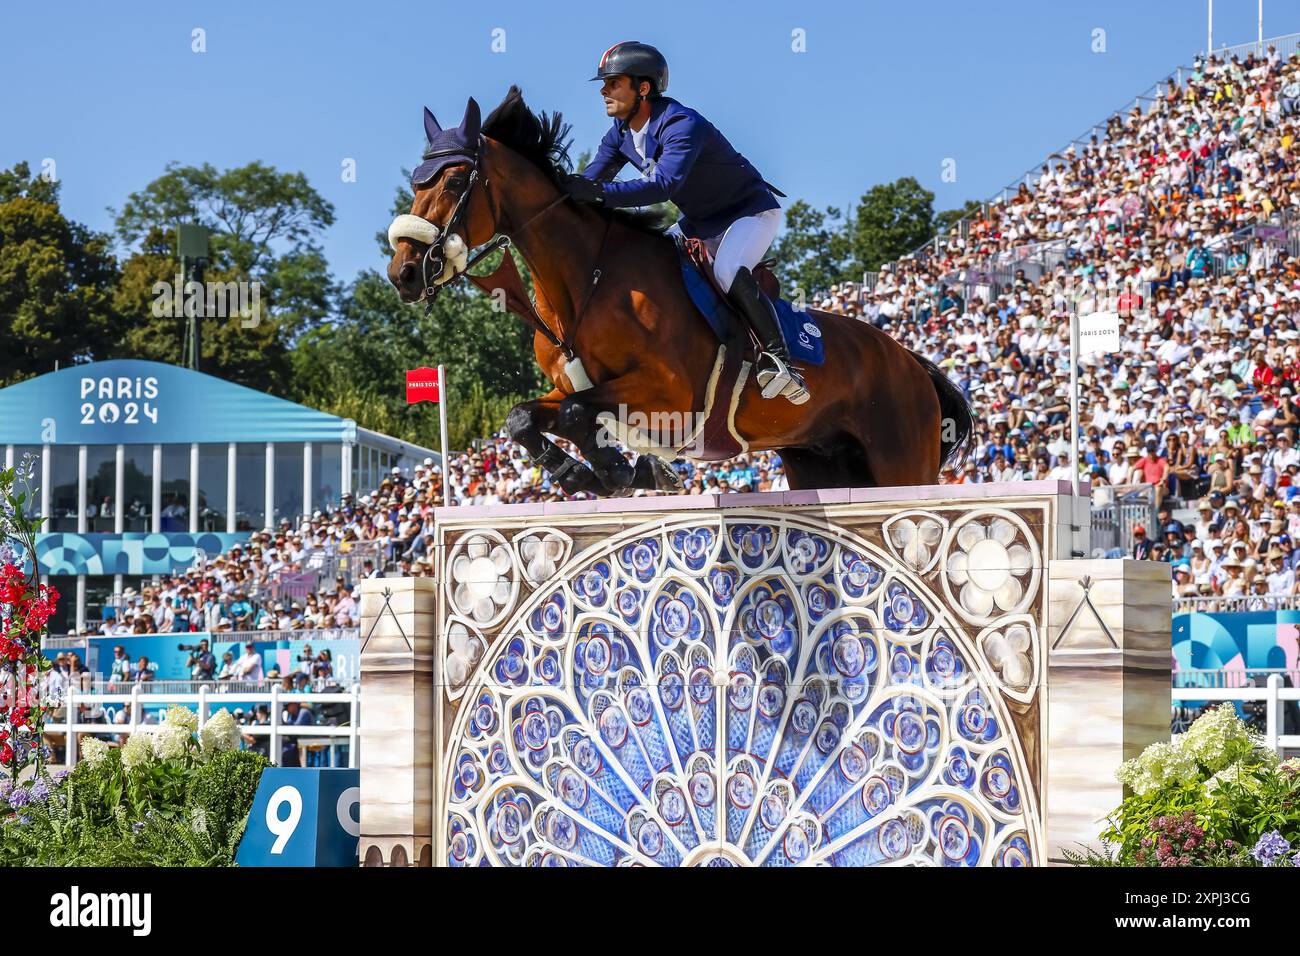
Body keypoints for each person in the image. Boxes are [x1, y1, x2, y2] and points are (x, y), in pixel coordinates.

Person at [565, 41, 806, 404]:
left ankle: (780, 359)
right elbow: (591, 180)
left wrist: (597, 194)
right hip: (699, 221)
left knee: (727, 268)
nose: (603, 90)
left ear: (642, 88)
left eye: (613, 82)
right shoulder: (620, 133)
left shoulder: (681, 124)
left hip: (747, 212)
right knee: (650, 260)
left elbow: (662, 186)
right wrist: (561, 192)